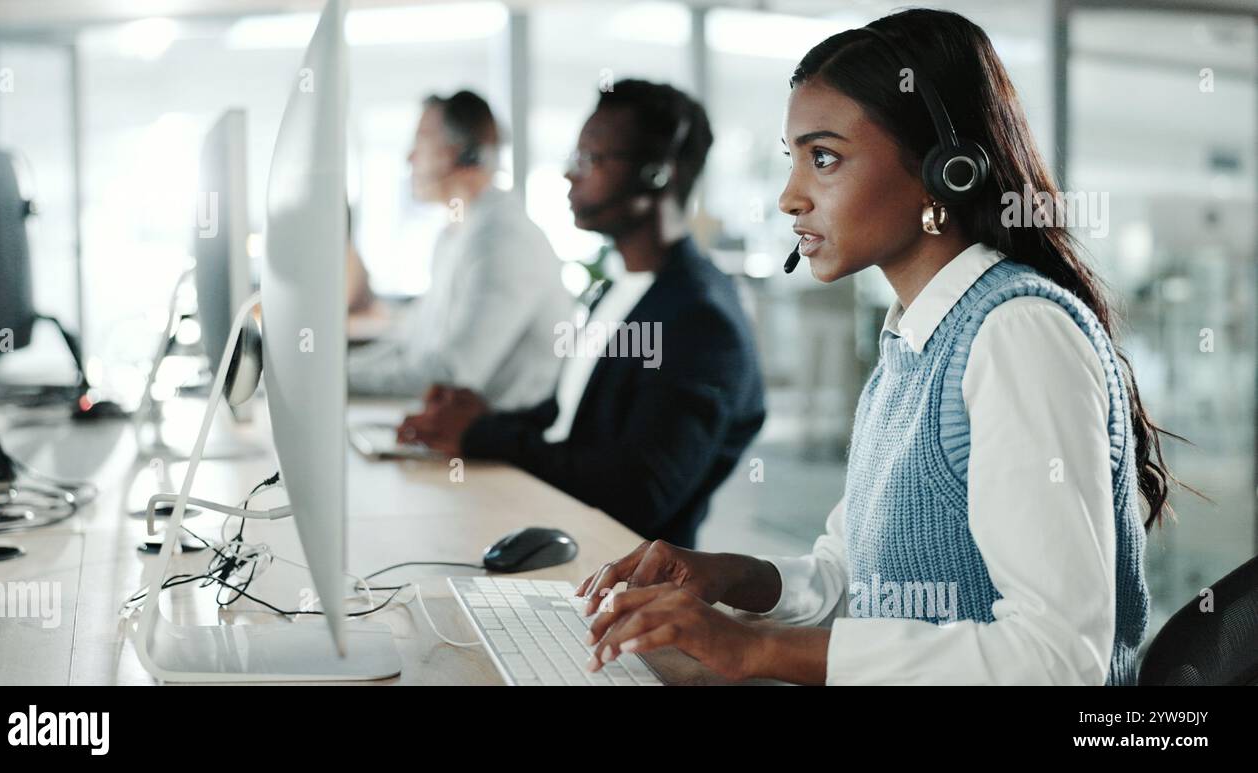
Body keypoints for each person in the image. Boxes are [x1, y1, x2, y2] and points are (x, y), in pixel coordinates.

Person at [576, 9, 1181, 686]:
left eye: (824, 158)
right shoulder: (913, 337)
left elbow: (1058, 658)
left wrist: (760, 651)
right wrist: (731, 577)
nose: (789, 197)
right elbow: (855, 581)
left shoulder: (1016, 334)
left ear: (941, 172)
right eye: (793, 159)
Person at [399, 80, 766, 549]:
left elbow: (637, 494)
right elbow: (568, 423)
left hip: (623, 576)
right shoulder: (614, 288)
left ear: (657, 174)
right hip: (559, 532)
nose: (570, 175)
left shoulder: (699, 320)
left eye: (589, 159)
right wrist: (476, 418)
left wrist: (484, 435)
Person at [347, 90, 568, 410]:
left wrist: (330, 381)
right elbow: (411, 349)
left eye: (421, 140)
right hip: (456, 440)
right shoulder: (454, 237)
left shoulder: (503, 241)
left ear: (464, 155)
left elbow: (452, 376)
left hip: (498, 451)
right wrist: (331, 373)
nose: (409, 158)